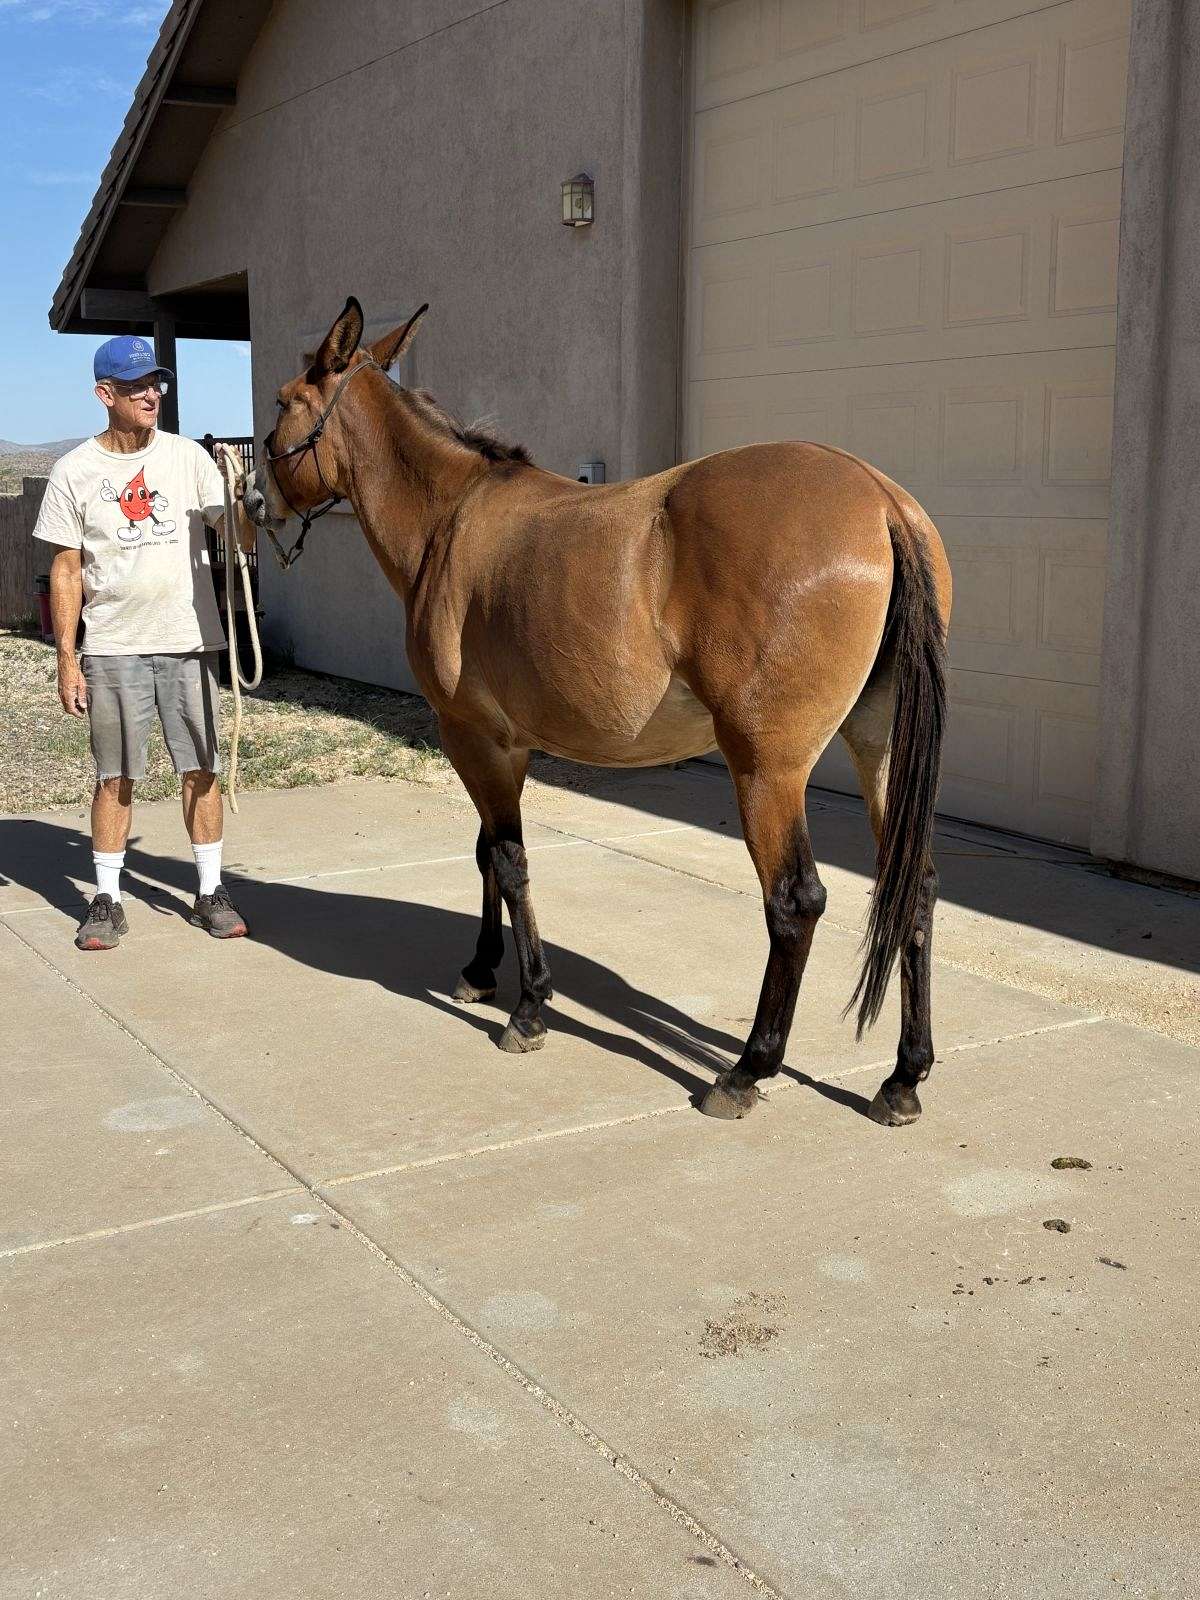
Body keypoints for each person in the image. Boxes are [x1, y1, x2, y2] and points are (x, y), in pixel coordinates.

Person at [33, 334, 257, 951]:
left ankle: (209, 890)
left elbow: (238, 534)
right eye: (135, 386)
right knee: (115, 776)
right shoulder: (74, 470)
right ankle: (107, 900)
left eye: (154, 383)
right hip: (112, 646)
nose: (151, 394)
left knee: (201, 768)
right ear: (105, 395)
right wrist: (66, 658)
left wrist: (250, 505)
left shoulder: (189, 459)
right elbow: (67, 570)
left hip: (188, 641)